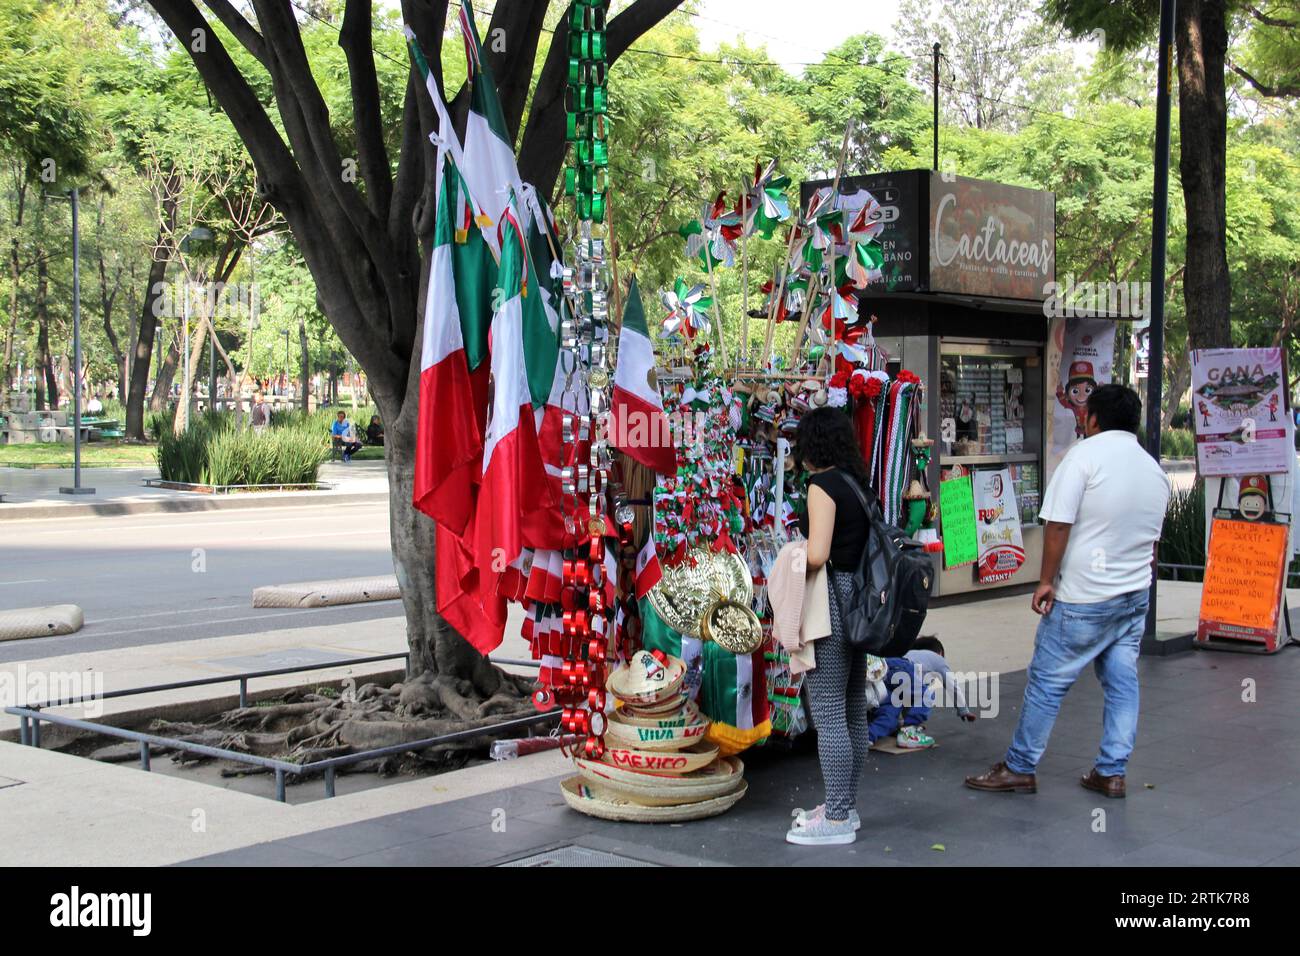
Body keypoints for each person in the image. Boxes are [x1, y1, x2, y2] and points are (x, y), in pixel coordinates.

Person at [965, 385, 1170, 799]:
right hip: (1133, 597)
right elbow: (1150, 544)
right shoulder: (1154, 471)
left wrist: (1045, 580)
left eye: (1085, 414)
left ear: (1093, 419)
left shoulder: (1083, 458)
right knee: (1122, 682)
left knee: (1046, 680)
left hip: (1084, 597)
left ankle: (1020, 766)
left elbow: (1058, 525)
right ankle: (1111, 772)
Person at [785, 407, 873, 846]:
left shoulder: (822, 486)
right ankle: (846, 805)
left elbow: (818, 554)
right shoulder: (858, 484)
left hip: (831, 604)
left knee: (829, 714)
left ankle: (837, 817)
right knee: (853, 708)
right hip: (860, 604)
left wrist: (789, 556)